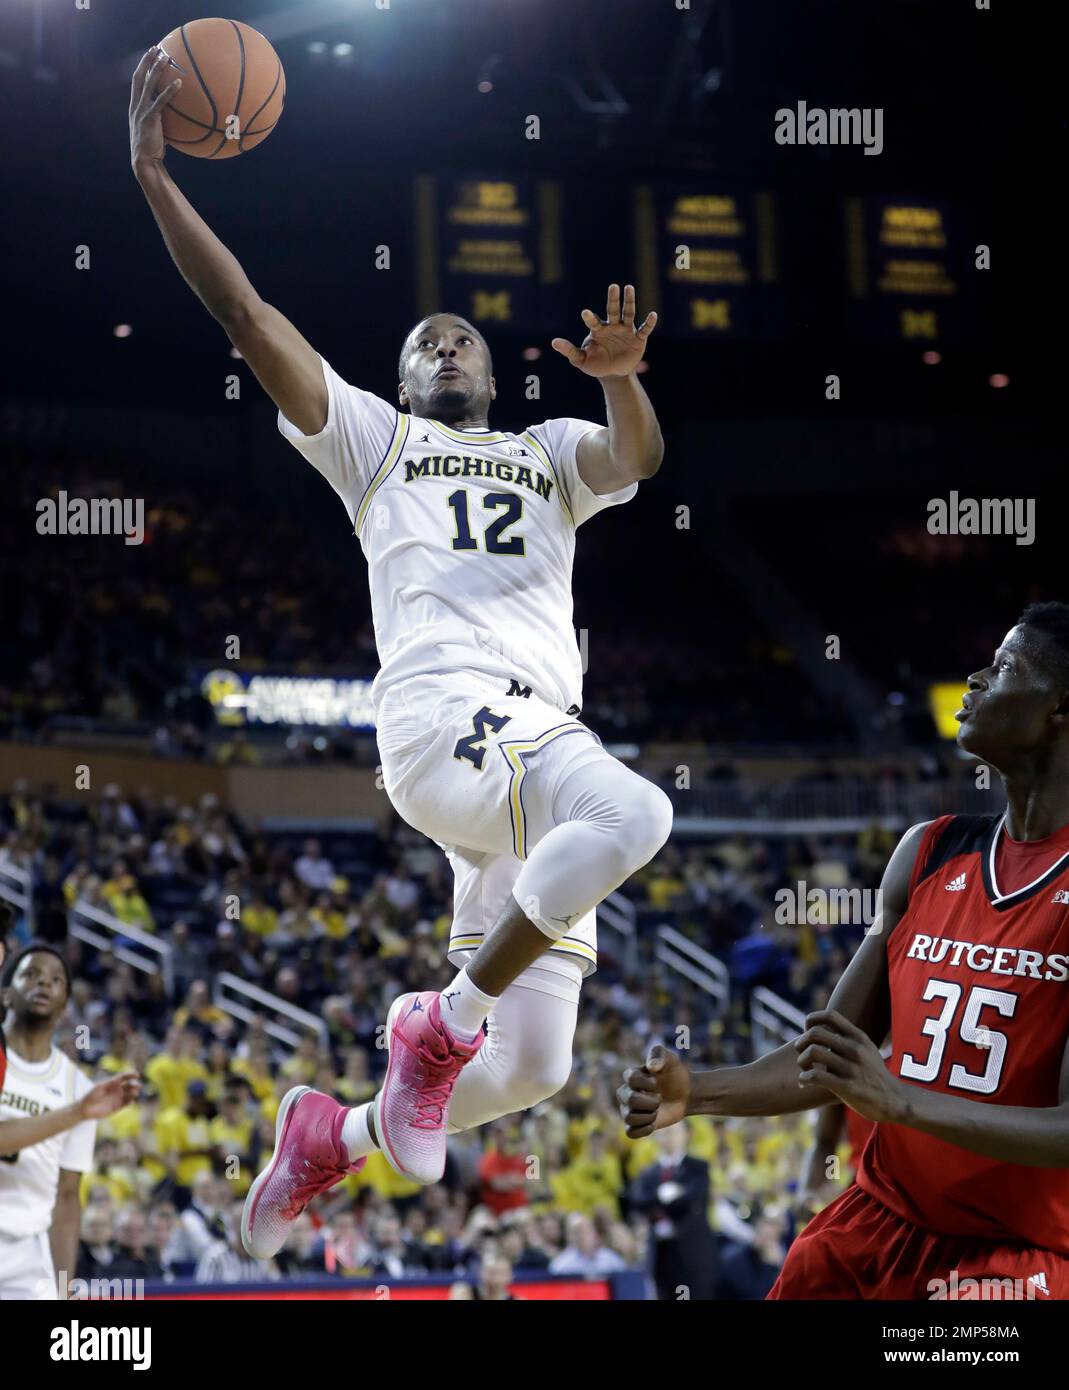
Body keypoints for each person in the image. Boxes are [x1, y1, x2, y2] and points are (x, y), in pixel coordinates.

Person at [127, 48, 673, 1258]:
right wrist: (156, 174)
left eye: (460, 342)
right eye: (423, 343)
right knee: (637, 818)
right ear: (399, 378)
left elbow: (636, 461)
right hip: (447, 714)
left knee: (532, 1068)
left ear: (490, 368)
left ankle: (331, 1135)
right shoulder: (372, 443)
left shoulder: (547, 449)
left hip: (528, 751)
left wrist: (627, 385)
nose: (442, 351)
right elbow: (247, 314)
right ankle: (436, 1025)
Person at [619, 604, 1069, 1300]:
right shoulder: (927, 850)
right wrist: (699, 1091)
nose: (975, 679)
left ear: (1059, 709)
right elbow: (826, 1058)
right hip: (868, 1226)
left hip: (1008, 1264)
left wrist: (902, 1104)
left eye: (1005, 666)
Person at [0, 944, 138, 1299]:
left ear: (64, 1006)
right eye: (31, 975)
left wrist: (62, 1288)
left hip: (28, 1254)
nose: (43, 984)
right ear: (5, 993)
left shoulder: (76, 1085)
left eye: (55, 980)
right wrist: (77, 1111)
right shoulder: (83, 1102)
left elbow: (67, 1195)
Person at [629, 1122, 716, 1300]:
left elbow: (694, 1197)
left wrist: (658, 1202)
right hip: (660, 1254)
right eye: (664, 1133)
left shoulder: (697, 1167)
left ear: (686, 1135)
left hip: (691, 1254)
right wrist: (666, 1195)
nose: (669, 1137)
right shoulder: (648, 1172)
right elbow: (638, 1201)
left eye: (674, 1132)